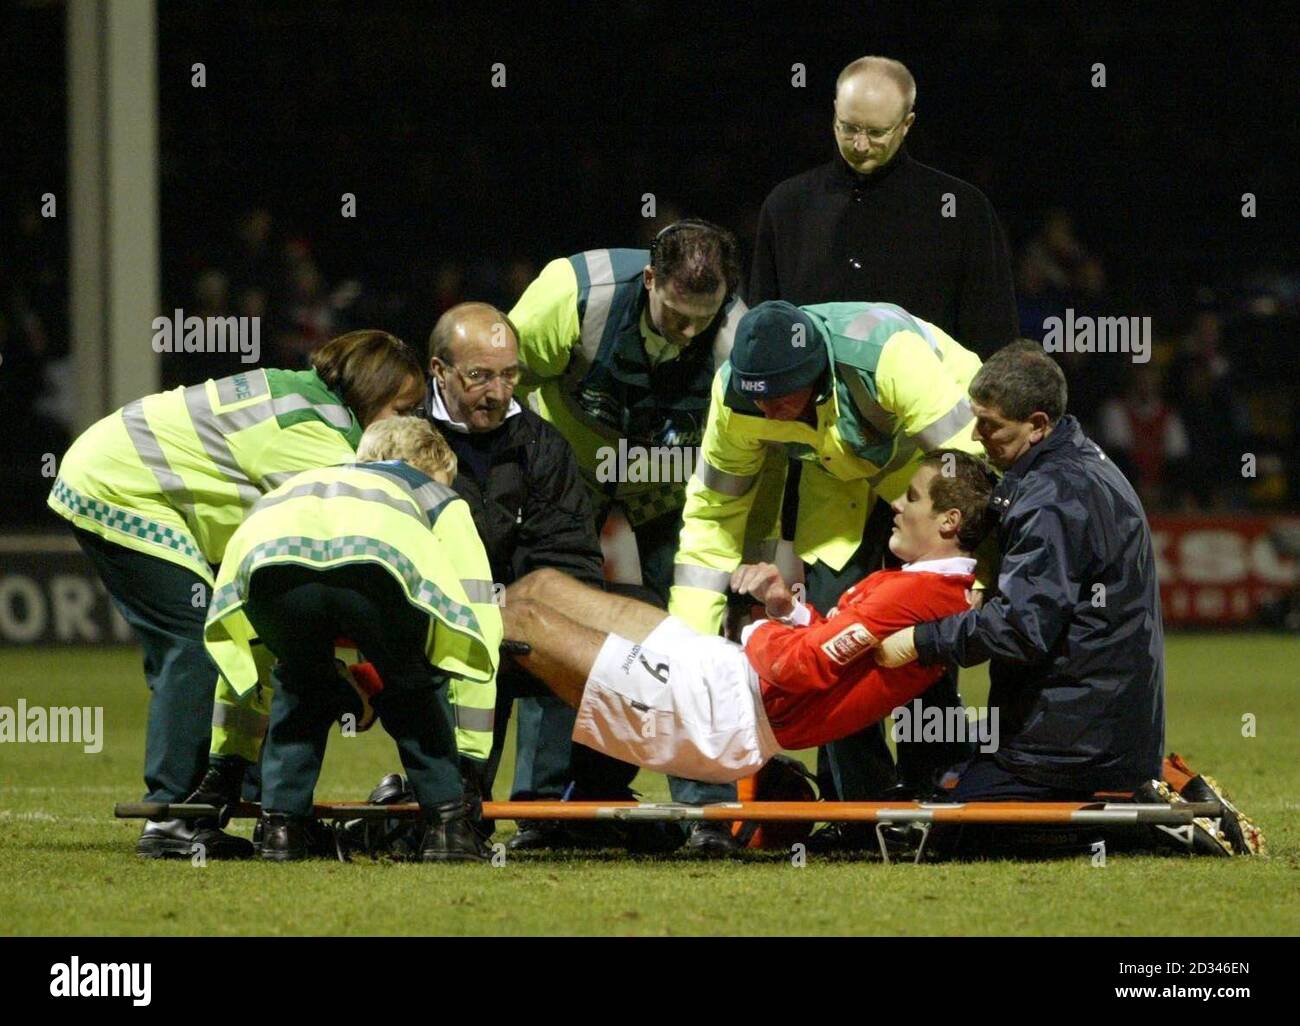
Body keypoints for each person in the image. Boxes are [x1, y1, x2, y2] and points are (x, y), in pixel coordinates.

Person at [47, 330, 425, 857]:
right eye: (403, 409)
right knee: (195, 645)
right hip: (118, 486)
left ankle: (238, 801)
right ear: (369, 392)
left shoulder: (305, 399)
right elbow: (350, 552)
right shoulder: (316, 436)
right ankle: (172, 818)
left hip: (113, 470)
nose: (411, 424)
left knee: (231, 642)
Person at [508, 220, 779, 850]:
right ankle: (545, 815)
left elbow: (758, 460)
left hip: (674, 493)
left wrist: (751, 557)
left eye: (701, 321)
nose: (687, 335)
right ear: (650, 279)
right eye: (674, 316)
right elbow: (498, 389)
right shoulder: (571, 294)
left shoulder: (740, 341)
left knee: (693, 638)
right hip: (565, 477)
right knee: (552, 630)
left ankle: (706, 813)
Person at [668, 299, 985, 832]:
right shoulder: (738, 396)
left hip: (934, 490)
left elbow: (973, 469)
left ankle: (938, 787)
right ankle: (861, 811)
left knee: (929, 638)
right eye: (756, 400)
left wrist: (988, 574)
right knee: (839, 643)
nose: (766, 413)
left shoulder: (888, 357)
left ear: (815, 378)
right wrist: (689, 643)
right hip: (838, 487)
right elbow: (713, 519)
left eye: (780, 401)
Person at [498, 451, 992, 785]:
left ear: (948, 522)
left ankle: (448, 787)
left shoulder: (922, 595)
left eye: (912, 497)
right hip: (725, 677)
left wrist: (755, 626)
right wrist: (789, 608)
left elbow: (802, 667)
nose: (897, 505)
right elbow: (833, 649)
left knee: (525, 622)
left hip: (724, 716)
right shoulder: (927, 587)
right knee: (541, 588)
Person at [876, 341, 1166, 799]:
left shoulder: (1052, 495)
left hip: (1067, 752)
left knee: (944, 826)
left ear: (1036, 425)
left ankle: (1138, 822)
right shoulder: (1078, 463)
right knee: (941, 777)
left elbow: (1020, 628)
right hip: (1100, 730)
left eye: (990, 425)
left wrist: (920, 640)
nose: (974, 435)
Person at [203, 417, 501, 861]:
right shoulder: (435, 495)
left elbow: (250, 662)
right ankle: (446, 830)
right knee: (414, 684)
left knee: (299, 683)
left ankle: (282, 829)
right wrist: (470, 765)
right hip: (373, 565)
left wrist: (226, 760)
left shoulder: (302, 484)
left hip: (265, 564)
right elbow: (477, 622)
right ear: (423, 467)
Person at [420, 301, 646, 850]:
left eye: (508, 375)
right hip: (429, 617)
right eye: (478, 376)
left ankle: (580, 804)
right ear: (439, 371)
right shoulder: (404, 438)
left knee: (635, 618)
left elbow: (569, 560)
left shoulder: (542, 444)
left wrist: (514, 606)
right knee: (479, 648)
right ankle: (457, 808)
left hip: (519, 615)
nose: (497, 392)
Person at [749, 56, 1017, 354]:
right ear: (835, 110)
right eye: (848, 127)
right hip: (811, 399)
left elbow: (994, 337)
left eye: (876, 133)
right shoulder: (787, 205)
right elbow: (763, 330)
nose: (860, 145)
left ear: (907, 124)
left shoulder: (963, 211)